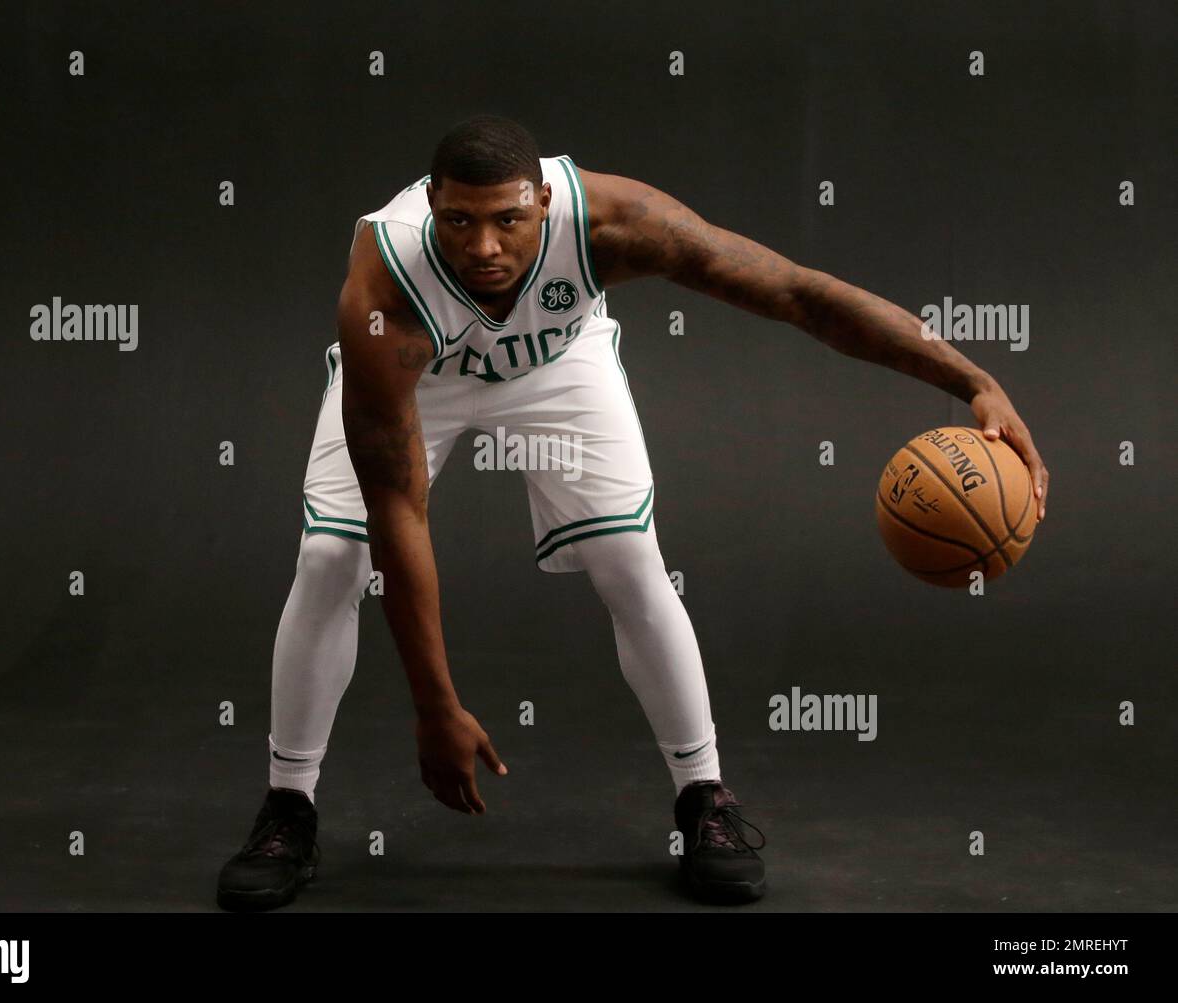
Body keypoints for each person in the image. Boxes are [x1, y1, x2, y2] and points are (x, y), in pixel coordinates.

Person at [216, 114, 1049, 911]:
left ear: (544, 198)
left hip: (554, 359)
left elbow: (801, 295)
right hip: (418, 375)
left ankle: (704, 795)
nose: (484, 247)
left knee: (629, 558)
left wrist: (968, 380)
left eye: (508, 219)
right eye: (459, 222)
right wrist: (435, 704)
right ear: (431, 204)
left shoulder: (614, 224)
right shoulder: (385, 288)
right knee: (331, 558)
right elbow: (400, 508)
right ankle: (289, 807)